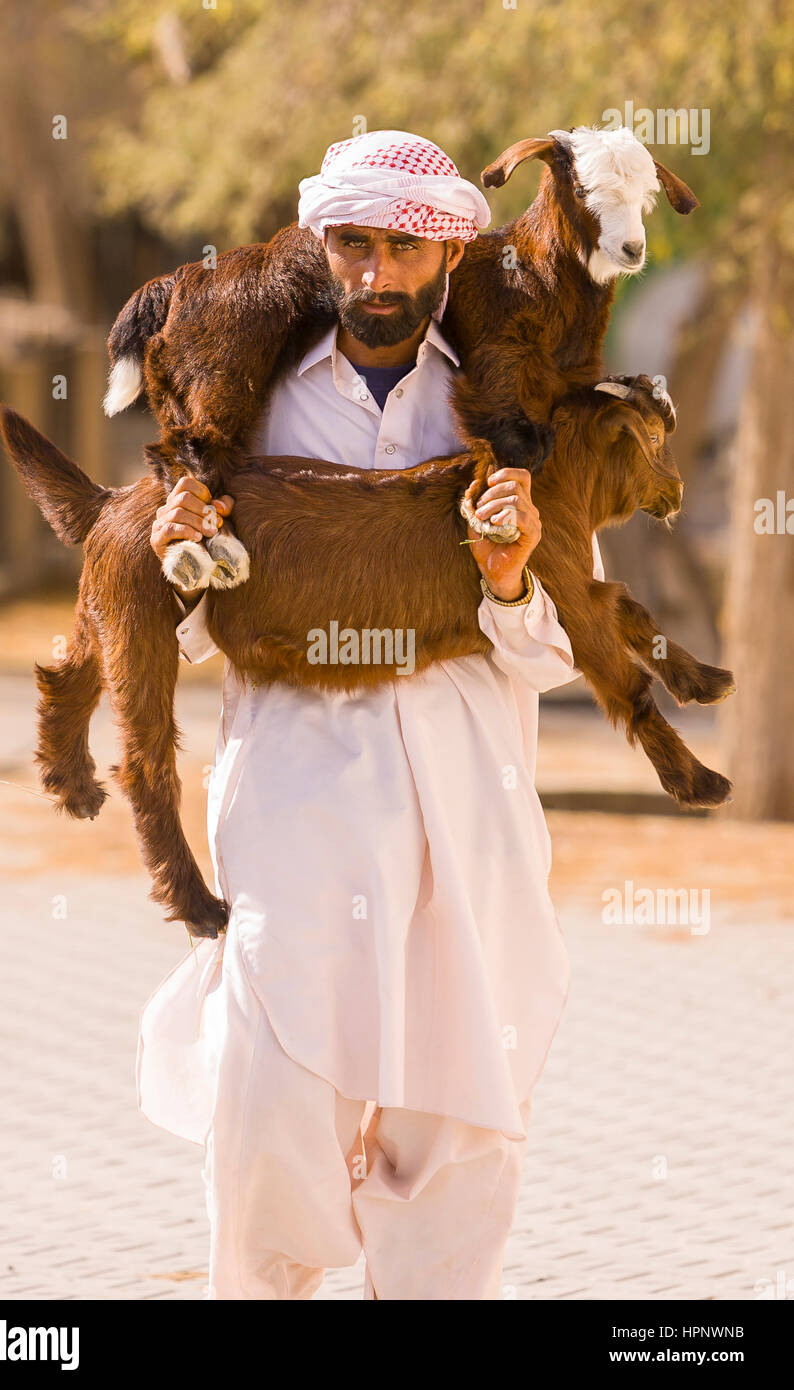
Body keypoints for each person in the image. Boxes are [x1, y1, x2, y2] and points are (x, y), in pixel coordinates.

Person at [137, 129, 604, 1301]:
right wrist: (179, 563)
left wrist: (504, 574)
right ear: (323, 247)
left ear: (447, 251)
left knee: (456, 1144)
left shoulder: (509, 408)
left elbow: (555, 643)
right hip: (299, 810)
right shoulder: (247, 409)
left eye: (404, 248)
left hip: (466, 817)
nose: (378, 275)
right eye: (355, 245)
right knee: (268, 1115)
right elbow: (195, 629)